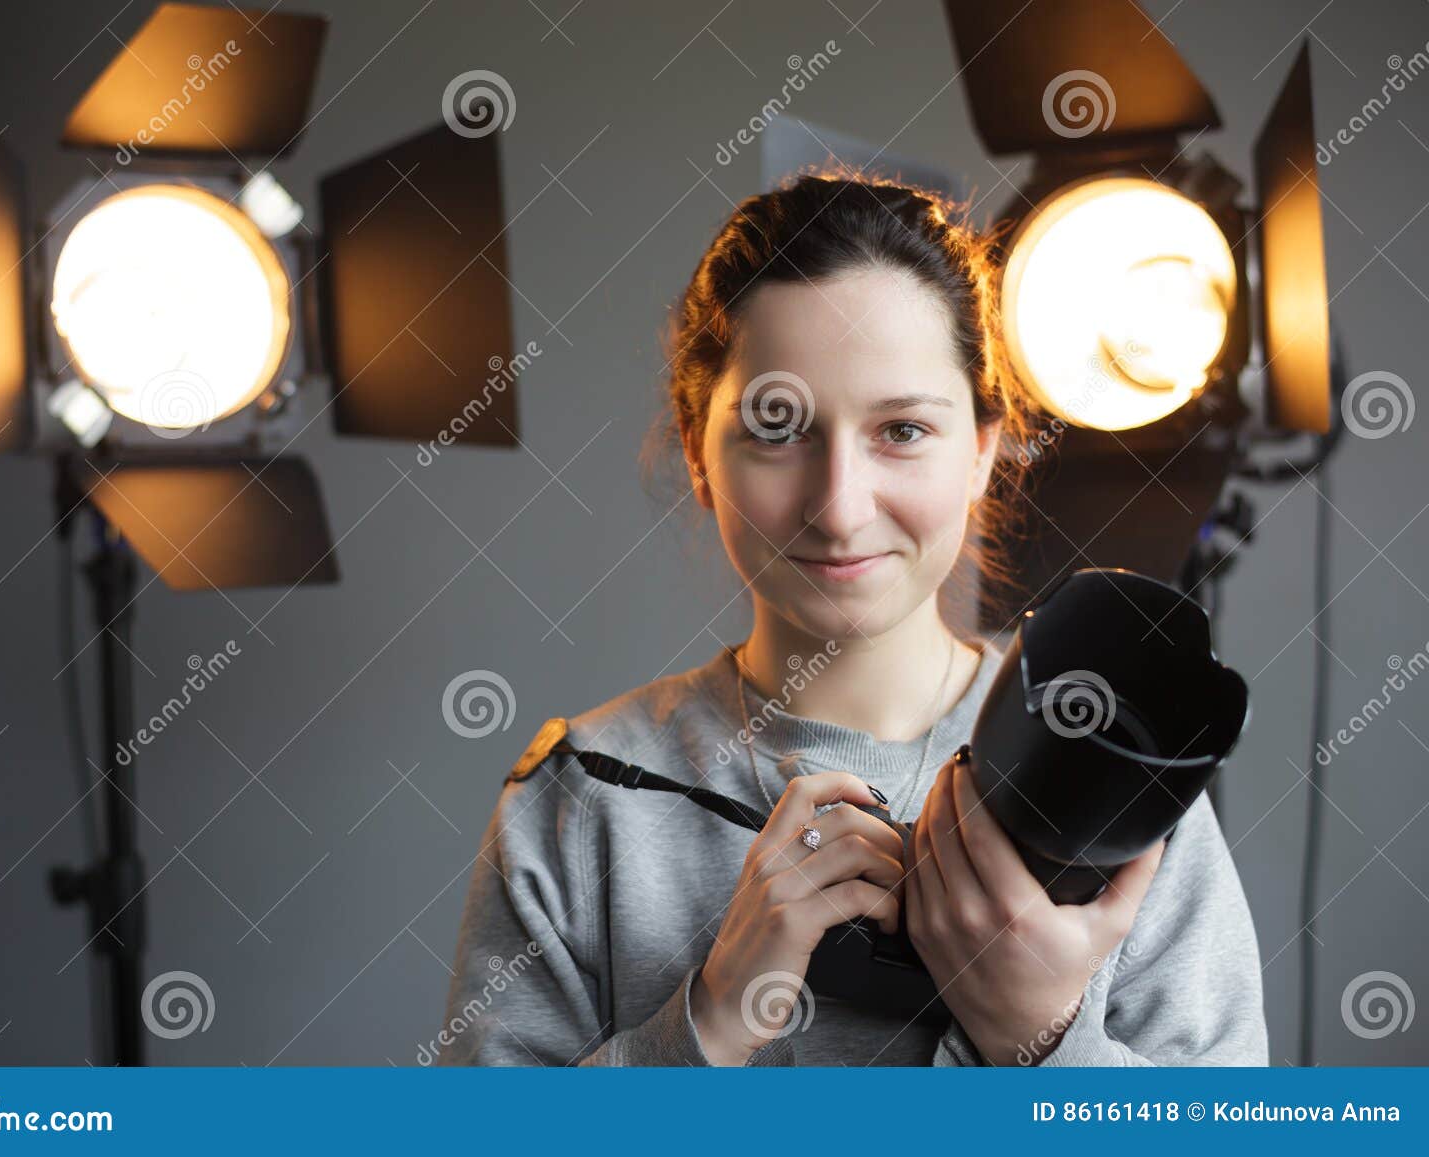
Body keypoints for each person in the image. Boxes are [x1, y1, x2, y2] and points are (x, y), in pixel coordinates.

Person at [434, 173, 1268, 1067]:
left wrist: (1043, 1040)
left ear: (984, 448)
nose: (838, 507)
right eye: (776, 426)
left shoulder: (1124, 770)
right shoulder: (586, 795)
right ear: (697, 449)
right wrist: (708, 1019)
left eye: (902, 429)